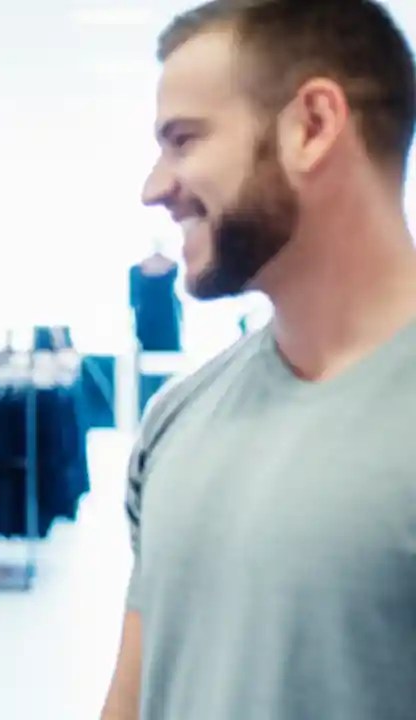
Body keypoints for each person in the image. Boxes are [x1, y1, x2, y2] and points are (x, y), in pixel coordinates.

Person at [102, 2, 416, 719]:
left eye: (184, 140)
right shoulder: (177, 419)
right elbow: (133, 696)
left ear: (312, 126)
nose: (155, 187)